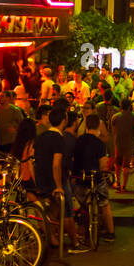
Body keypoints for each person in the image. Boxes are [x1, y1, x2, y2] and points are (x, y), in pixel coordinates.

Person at [32, 106, 85, 253]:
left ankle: (52, 236)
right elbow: (56, 164)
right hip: (56, 180)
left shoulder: (41, 136)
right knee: (67, 211)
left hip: (42, 179)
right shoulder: (58, 139)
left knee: (52, 211)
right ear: (64, 121)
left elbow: (34, 158)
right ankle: (75, 243)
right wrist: (59, 185)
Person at [74, 114, 116, 243]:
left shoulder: (79, 141)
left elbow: (75, 159)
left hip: (81, 177)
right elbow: (103, 164)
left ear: (86, 125)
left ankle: (83, 231)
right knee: (104, 204)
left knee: (83, 204)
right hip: (96, 177)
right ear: (98, 126)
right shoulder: (99, 143)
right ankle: (111, 232)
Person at [111, 99, 134, 192]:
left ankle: (118, 182)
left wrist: (114, 142)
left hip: (118, 142)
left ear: (120, 106)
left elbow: (113, 132)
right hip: (130, 142)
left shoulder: (115, 117)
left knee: (118, 163)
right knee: (126, 165)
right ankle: (124, 185)